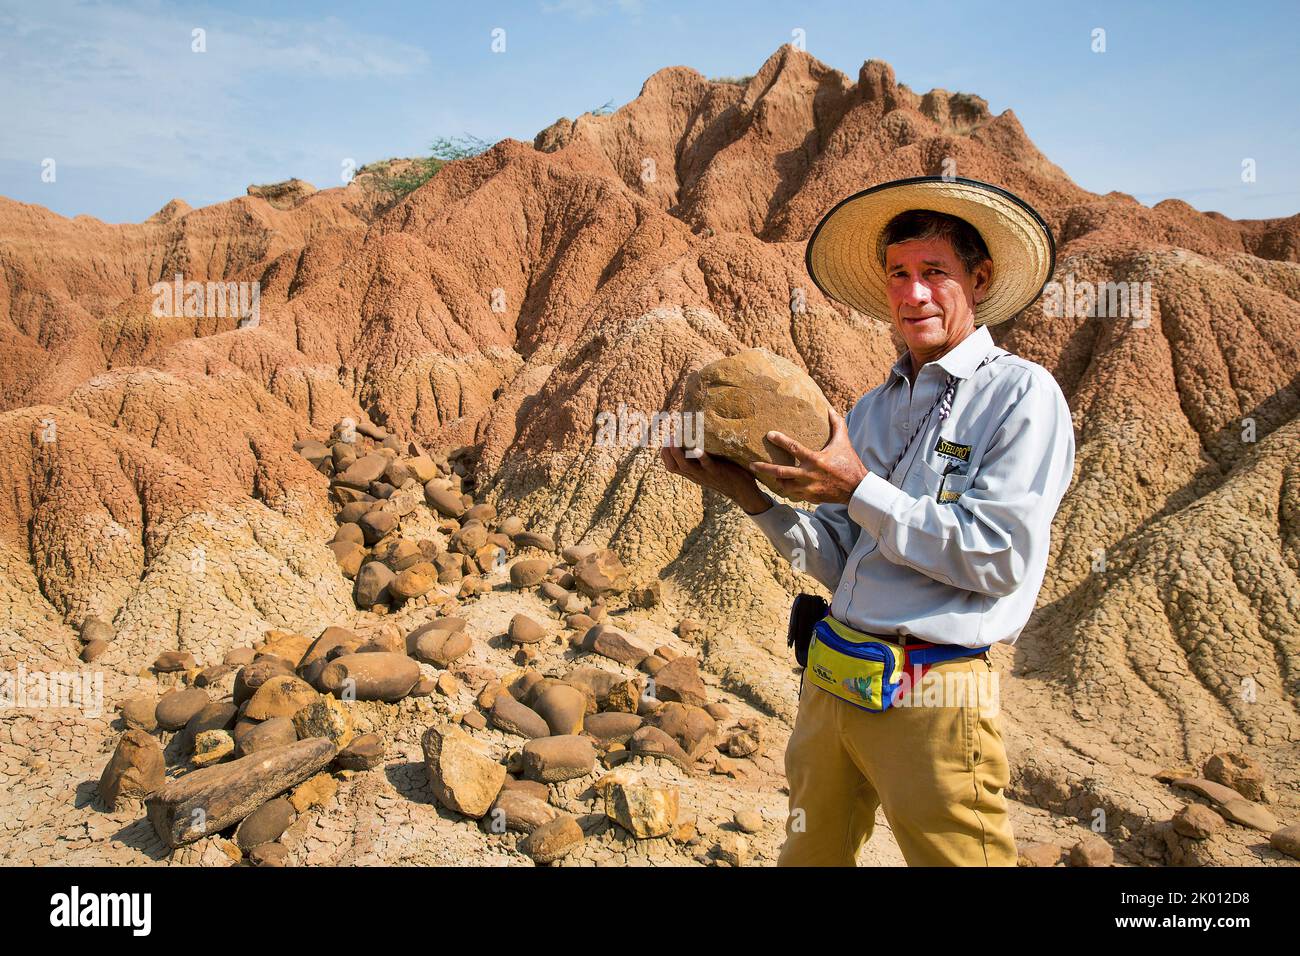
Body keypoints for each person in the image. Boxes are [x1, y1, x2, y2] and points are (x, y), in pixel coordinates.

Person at [660, 177, 1075, 866]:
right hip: (833, 681)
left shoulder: (1020, 396)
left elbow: (997, 558)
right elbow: (844, 558)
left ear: (980, 278)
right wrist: (753, 498)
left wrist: (859, 488)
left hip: (934, 696)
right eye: (899, 275)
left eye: (934, 273)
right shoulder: (871, 409)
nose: (913, 294)